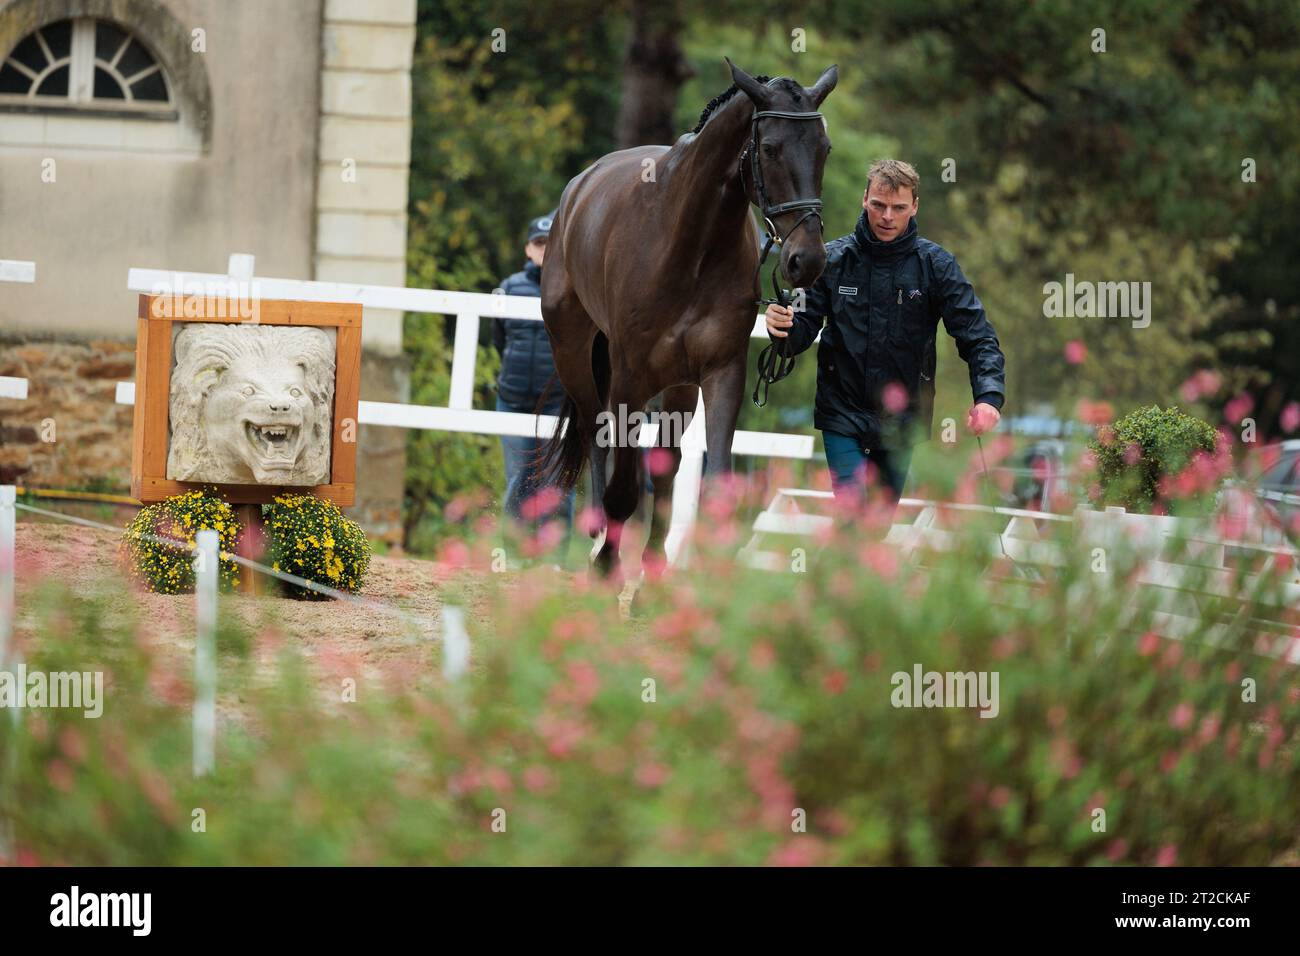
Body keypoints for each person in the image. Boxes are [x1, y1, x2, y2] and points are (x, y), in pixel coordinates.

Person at [765, 159, 1006, 523]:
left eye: (898, 207)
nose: (887, 216)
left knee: (875, 526)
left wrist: (988, 397)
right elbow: (799, 333)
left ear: (915, 207)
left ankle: (831, 579)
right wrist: (781, 327)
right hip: (841, 414)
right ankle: (831, 578)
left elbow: (977, 334)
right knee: (852, 518)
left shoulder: (936, 266)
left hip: (902, 423)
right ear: (864, 200)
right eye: (878, 204)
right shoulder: (832, 260)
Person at [493, 213, 575, 555]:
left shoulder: (573, 286)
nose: (544, 250)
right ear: (528, 248)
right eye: (539, 243)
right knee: (520, 477)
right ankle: (511, 551)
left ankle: (554, 555)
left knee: (557, 478)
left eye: (550, 243)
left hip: (556, 400)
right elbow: (499, 338)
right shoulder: (509, 287)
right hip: (512, 399)